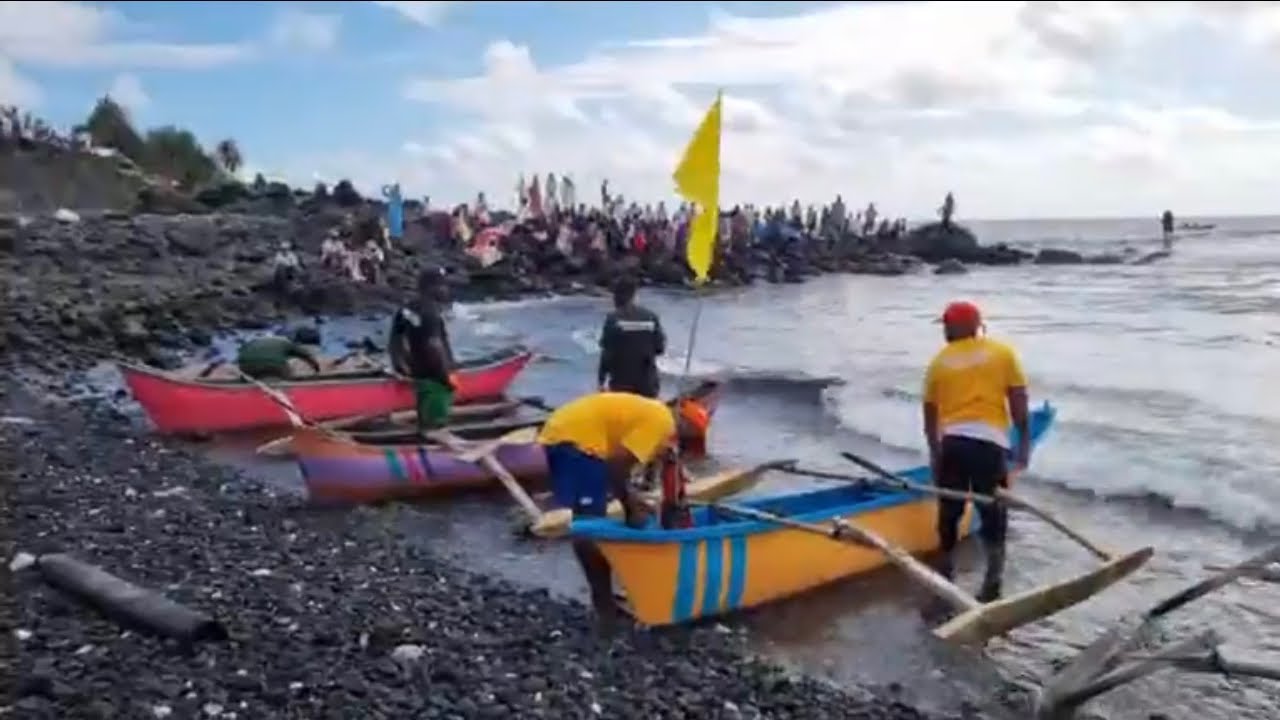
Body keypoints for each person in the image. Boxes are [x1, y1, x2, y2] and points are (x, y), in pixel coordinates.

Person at [538, 391, 692, 632]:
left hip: (563, 431)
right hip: (577, 441)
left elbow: (622, 465)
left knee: (588, 518)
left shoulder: (656, 416)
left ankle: (605, 600)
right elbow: (617, 467)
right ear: (682, 427)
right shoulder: (662, 423)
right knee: (589, 525)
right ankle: (604, 607)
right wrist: (630, 506)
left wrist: (632, 499)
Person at [922, 300, 1030, 603]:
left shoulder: (939, 362)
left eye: (946, 325)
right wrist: (1023, 448)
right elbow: (1019, 405)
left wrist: (936, 456)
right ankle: (992, 581)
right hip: (989, 445)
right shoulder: (1002, 353)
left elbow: (929, 417)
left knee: (950, 511)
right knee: (992, 511)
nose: (944, 330)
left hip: (953, 444)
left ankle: (945, 570)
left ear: (957, 328)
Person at [389, 268, 457, 432]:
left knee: (425, 420)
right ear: (431, 287)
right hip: (436, 378)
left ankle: (424, 436)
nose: (446, 290)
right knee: (437, 425)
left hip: (418, 374)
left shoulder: (407, 309)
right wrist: (445, 377)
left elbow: (395, 341)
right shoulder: (430, 313)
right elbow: (434, 345)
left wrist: (400, 365)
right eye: (443, 285)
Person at [597, 276, 666, 398]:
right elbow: (660, 348)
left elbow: (607, 354)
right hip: (647, 384)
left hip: (621, 385)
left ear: (615, 297)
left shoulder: (613, 319)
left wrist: (601, 381)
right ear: (634, 295)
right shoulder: (651, 317)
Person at [236, 335, 320, 380]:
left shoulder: (254, 341)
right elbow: (305, 355)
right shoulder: (286, 342)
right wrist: (316, 368)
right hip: (274, 364)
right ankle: (287, 386)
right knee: (287, 374)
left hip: (246, 365)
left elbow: (241, 353)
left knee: (249, 377)